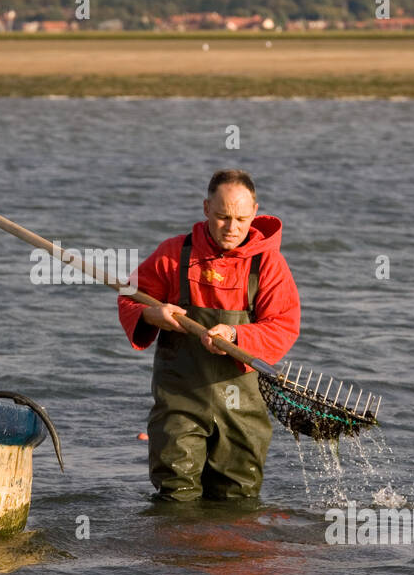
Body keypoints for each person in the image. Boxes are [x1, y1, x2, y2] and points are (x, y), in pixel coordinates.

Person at [118, 170, 300, 502]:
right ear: (205, 208)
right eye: (222, 217)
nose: (232, 227)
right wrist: (152, 314)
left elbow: (283, 325)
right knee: (175, 494)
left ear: (256, 212)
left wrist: (235, 334)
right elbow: (131, 297)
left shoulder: (268, 264)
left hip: (241, 405)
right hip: (180, 399)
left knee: (238, 499)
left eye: (242, 218)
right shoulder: (174, 254)